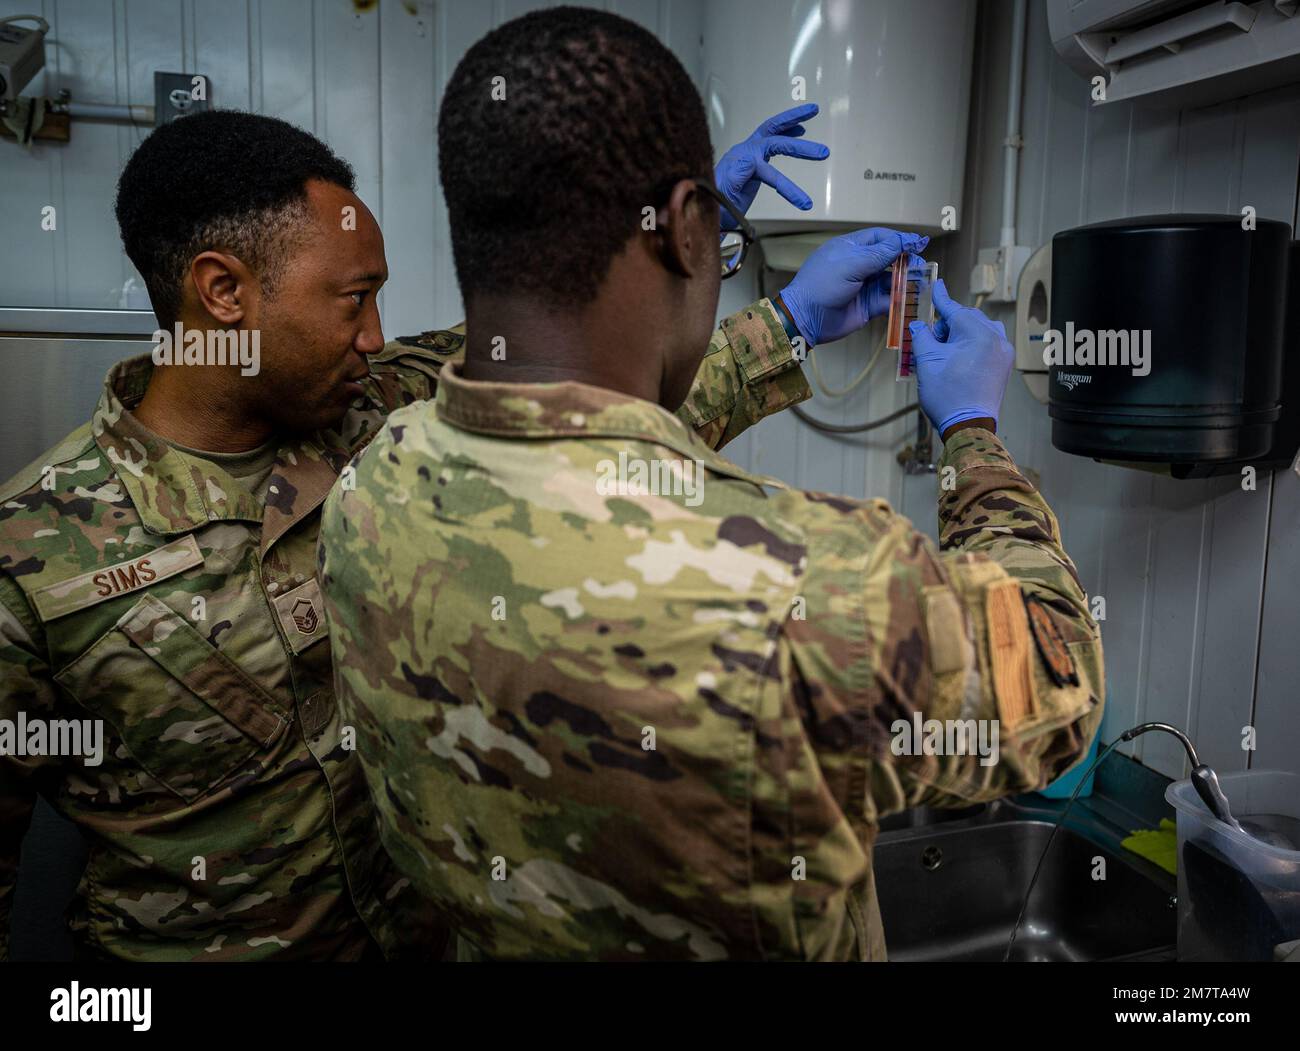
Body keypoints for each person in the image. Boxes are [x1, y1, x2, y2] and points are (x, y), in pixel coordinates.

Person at [0, 90, 878, 958]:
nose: (378, 337)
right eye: (354, 299)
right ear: (224, 292)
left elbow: (587, 380)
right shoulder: (33, 557)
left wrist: (757, 293)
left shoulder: (387, 406)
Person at [318, 5, 1105, 962]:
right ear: (694, 229)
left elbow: (575, 456)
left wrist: (790, 323)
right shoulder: (815, 589)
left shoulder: (370, 483)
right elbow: (1058, 680)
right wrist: (974, 433)